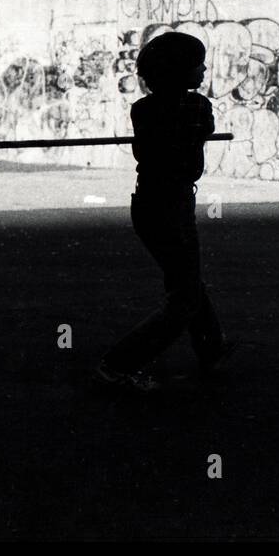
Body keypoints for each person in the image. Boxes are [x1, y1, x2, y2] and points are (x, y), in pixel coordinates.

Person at [95, 32, 233, 393]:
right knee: (185, 296)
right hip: (169, 207)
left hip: (151, 204)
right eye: (197, 64)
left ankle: (213, 349)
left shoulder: (144, 109)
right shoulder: (197, 107)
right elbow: (202, 129)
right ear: (178, 71)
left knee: (186, 283)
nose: (203, 69)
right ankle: (118, 365)